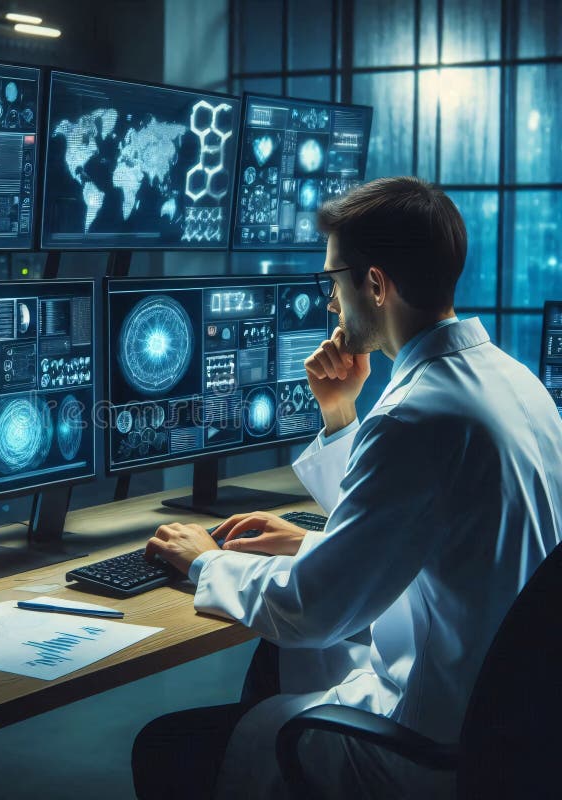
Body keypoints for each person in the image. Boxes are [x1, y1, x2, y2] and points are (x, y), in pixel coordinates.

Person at [131, 176, 562, 799]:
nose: (330, 303)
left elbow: (313, 609)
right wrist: (339, 419)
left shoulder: (415, 416)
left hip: (437, 751)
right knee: (283, 665)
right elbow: (420, 534)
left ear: (377, 284)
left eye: (334, 279)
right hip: (514, 729)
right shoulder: (515, 382)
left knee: (183, 745)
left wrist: (205, 562)